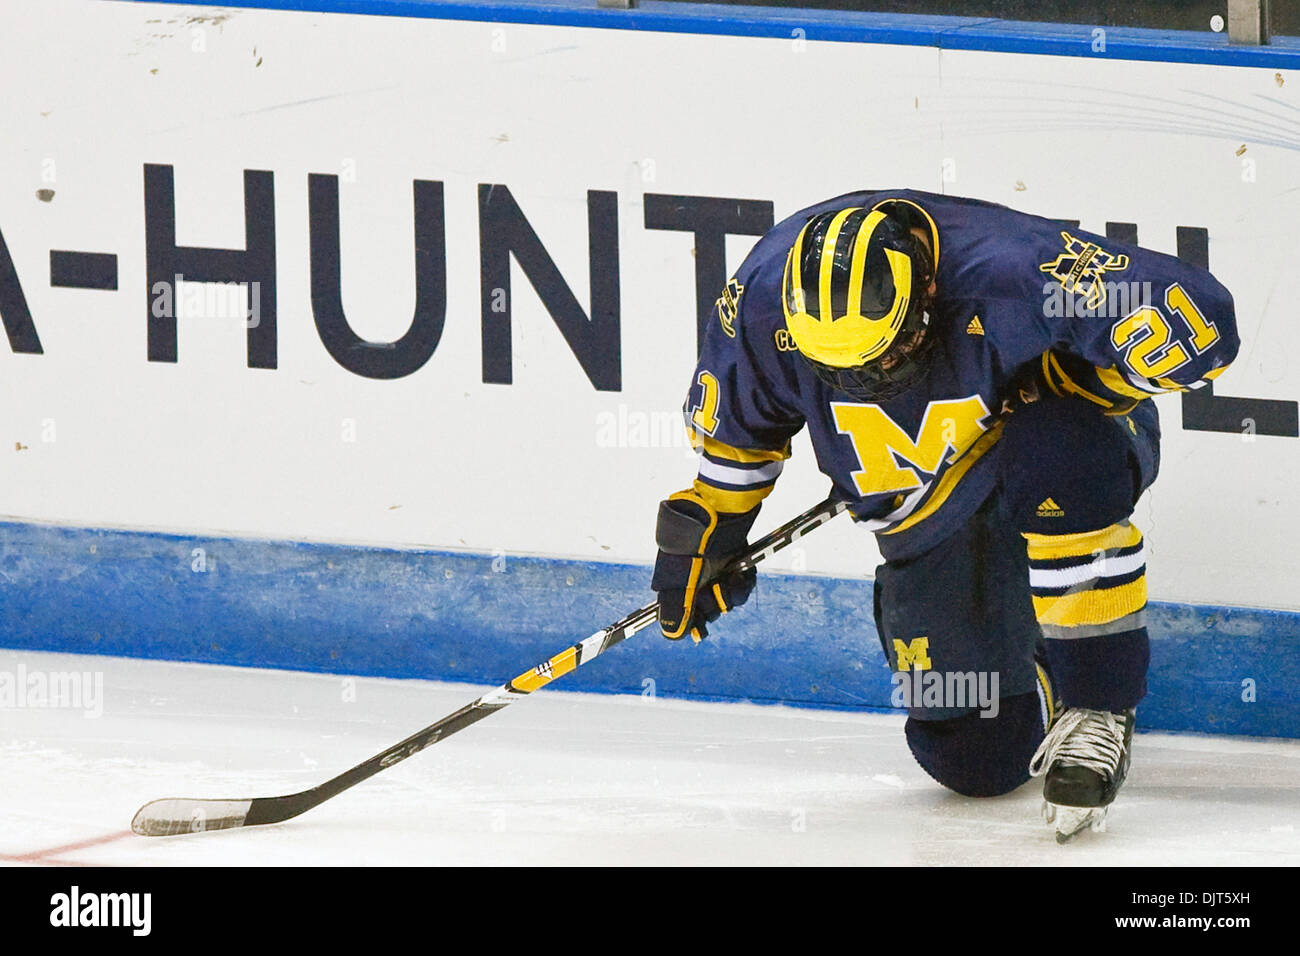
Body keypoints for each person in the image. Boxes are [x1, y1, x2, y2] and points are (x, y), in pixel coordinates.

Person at [650, 189, 1238, 841]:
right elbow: (740, 437)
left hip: (1061, 447)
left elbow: (1201, 318)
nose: (869, 376)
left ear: (926, 291)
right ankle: (1039, 658)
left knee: (1057, 451)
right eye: (840, 367)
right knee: (971, 758)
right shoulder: (761, 304)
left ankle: (1100, 699)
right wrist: (715, 527)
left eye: (888, 351)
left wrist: (1087, 383)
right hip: (925, 513)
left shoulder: (1016, 273)